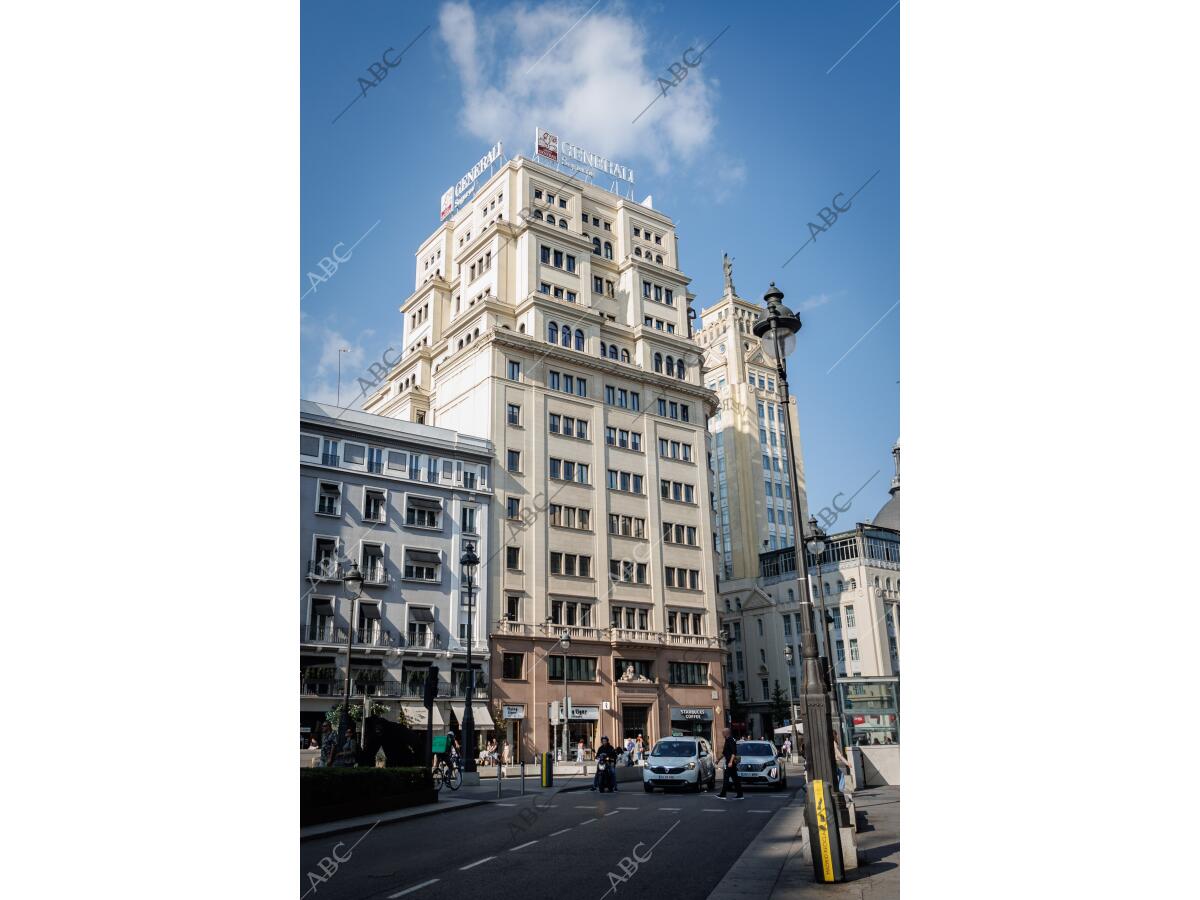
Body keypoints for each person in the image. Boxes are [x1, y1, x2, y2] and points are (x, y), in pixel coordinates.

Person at [717, 727, 743, 799]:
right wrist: (718, 759)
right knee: (735, 778)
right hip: (729, 762)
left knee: (726, 778)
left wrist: (731, 762)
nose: (722, 734)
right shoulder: (727, 740)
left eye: (723, 732)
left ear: (726, 733)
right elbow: (725, 752)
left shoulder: (731, 740)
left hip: (730, 762)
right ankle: (740, 794)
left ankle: (723, 794)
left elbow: (733, 752)